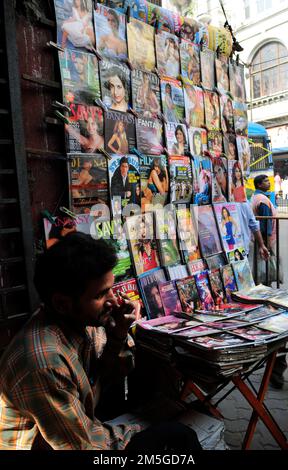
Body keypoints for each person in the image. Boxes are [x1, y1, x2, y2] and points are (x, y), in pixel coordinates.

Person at [0, 233, 202, 451]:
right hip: (57, 444)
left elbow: (110, 377)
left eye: (112, 289)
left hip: (81, 424)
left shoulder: (81, 321)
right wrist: (139, 432)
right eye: (101, 294)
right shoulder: (45, 363)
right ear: (62, 303)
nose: (114, 301)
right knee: (178, 437)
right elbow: (82, 447)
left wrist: (119, 334)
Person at [250, 175, 286, 388]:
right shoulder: (262, 201)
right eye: (266, 181)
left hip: (262, 244)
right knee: (266, 273)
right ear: (259, 184)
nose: (269, 183)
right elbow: (265, 227)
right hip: (264, 243)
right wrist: (266, 245)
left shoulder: (257, 198)